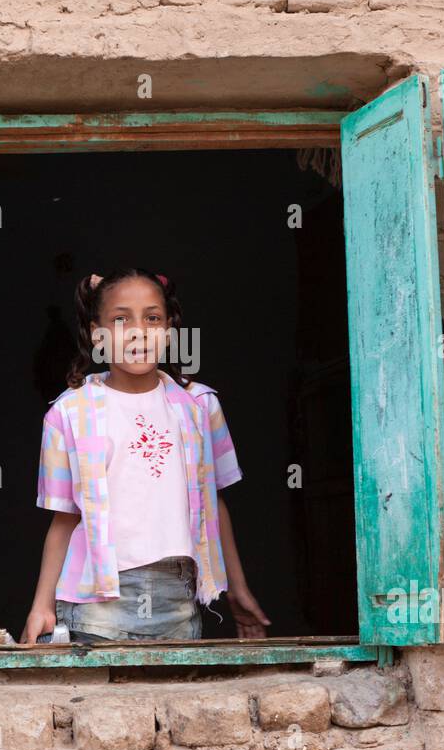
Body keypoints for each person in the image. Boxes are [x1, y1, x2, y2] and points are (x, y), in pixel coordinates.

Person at [20, 267, 270, 645]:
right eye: (121, 319)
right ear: (96, 333)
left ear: (169, 329)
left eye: (152, 318)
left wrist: (237, 590)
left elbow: (212, 502)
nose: (138, 331)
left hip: (180, 607)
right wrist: (41, 606)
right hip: (96, 610)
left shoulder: (200, 406)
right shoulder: (69, 413)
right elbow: (64, 520)